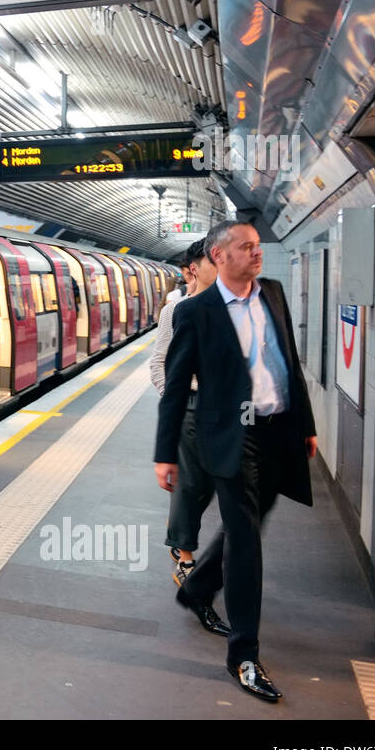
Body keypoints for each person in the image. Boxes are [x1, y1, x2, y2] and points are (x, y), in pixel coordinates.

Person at [153, 220, 318, 703]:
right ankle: (243, 655)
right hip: (231, 436)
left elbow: (288, 362)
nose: (257, 253)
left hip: (277, 430)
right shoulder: (195, 312)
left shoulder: (274, 294)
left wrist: (304, 424)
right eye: (246, 247)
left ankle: (198, 587)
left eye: (258, 246)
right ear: (219, 256)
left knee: (258, 513)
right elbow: (176, 385)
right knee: (245, 540)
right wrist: (166, 454)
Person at [148, 239, 217, 586]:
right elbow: (158, 363)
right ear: (194, 269)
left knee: (211, 486)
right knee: (190, 485)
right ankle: (186, 557)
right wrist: (174, 400)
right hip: (191, 405)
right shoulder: (175, 310)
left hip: (228, 411)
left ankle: (179, 527)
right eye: (214, 260)